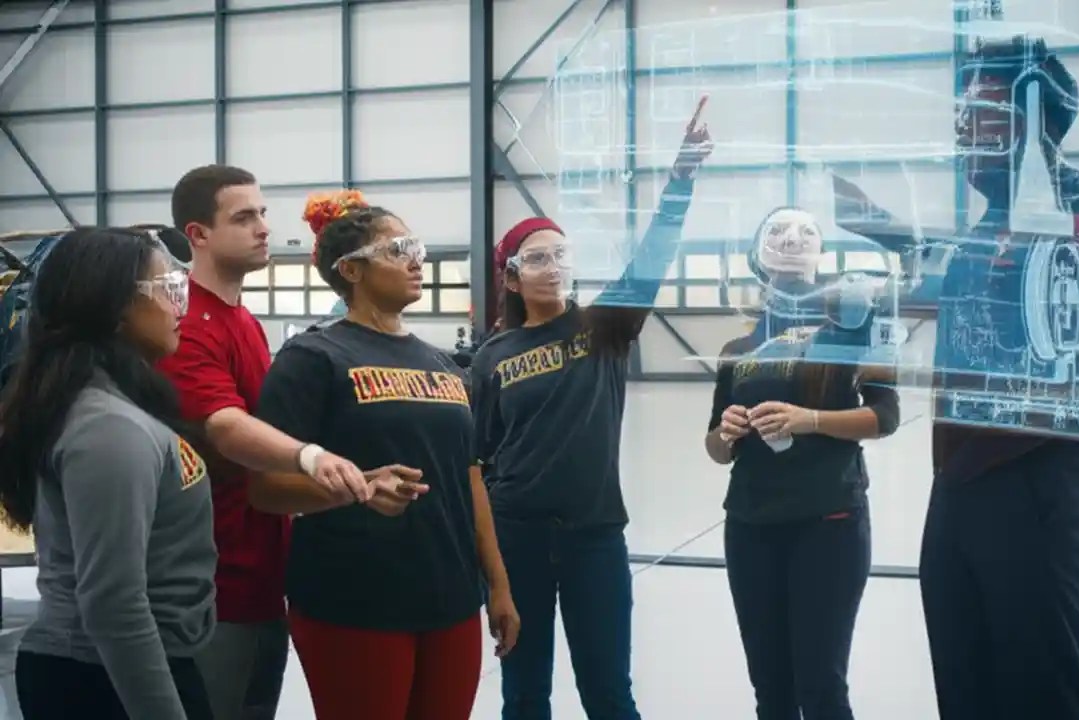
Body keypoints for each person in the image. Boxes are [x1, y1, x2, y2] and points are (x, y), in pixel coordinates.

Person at [837, 38, 1079, 719]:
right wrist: (879, 242)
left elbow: (1051, 324)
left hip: (1034, 468)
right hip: (961, 472)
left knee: (1036, 678)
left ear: (1032, 117)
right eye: (960, 115)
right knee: (962, 669)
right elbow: (955, 284)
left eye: (980, 112)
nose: (962, 130)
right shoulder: (992, 219)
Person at [470, 97, 713, 720]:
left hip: (595, 536)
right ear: (513, 278)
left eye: (560, 255)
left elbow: (655, 255)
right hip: (517, 536)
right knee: (524, 694)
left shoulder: (604, 327)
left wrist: (681, 178)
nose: (552, 267)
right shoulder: (492, 356)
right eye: (536, 258)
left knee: (609, 692)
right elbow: (480, 453)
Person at [251, 190, 518, 720]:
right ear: (351, 270)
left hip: (449, 600)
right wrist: (357, 489)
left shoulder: (443, 366)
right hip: (354, 601)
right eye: (398, 249)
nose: (417, 260)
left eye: (414, 246)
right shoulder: (313, 359)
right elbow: (263, 488)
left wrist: (499, 585)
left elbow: (470, 480)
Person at [158, 165, 368, 720]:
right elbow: (224, 426)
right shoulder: (189, 326)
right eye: (243, 217)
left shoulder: (244, 322)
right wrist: (312, 457)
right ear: (197, 235)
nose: (263, 228)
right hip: (216, 589)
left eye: (263, 214)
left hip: (265, 580)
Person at [0, 227, 215, 719]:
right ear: (115, 306)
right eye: (166, 289)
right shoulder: (107, 427)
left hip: (121, 664)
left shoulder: (117, 405)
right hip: (101, 675)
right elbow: (113, 603)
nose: (177, 307)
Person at [704, 207, 900, 720]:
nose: (792, 239)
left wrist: (809, 419)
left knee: (821, 686)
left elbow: (885, 416)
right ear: (758, 253)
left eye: (805, 231)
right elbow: (714, 446)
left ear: (821, 253)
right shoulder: (739, 347)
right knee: (771, 689)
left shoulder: (854, 326)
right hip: (749, 526)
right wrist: (726, 433)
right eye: (778, 231)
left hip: (827, 523)